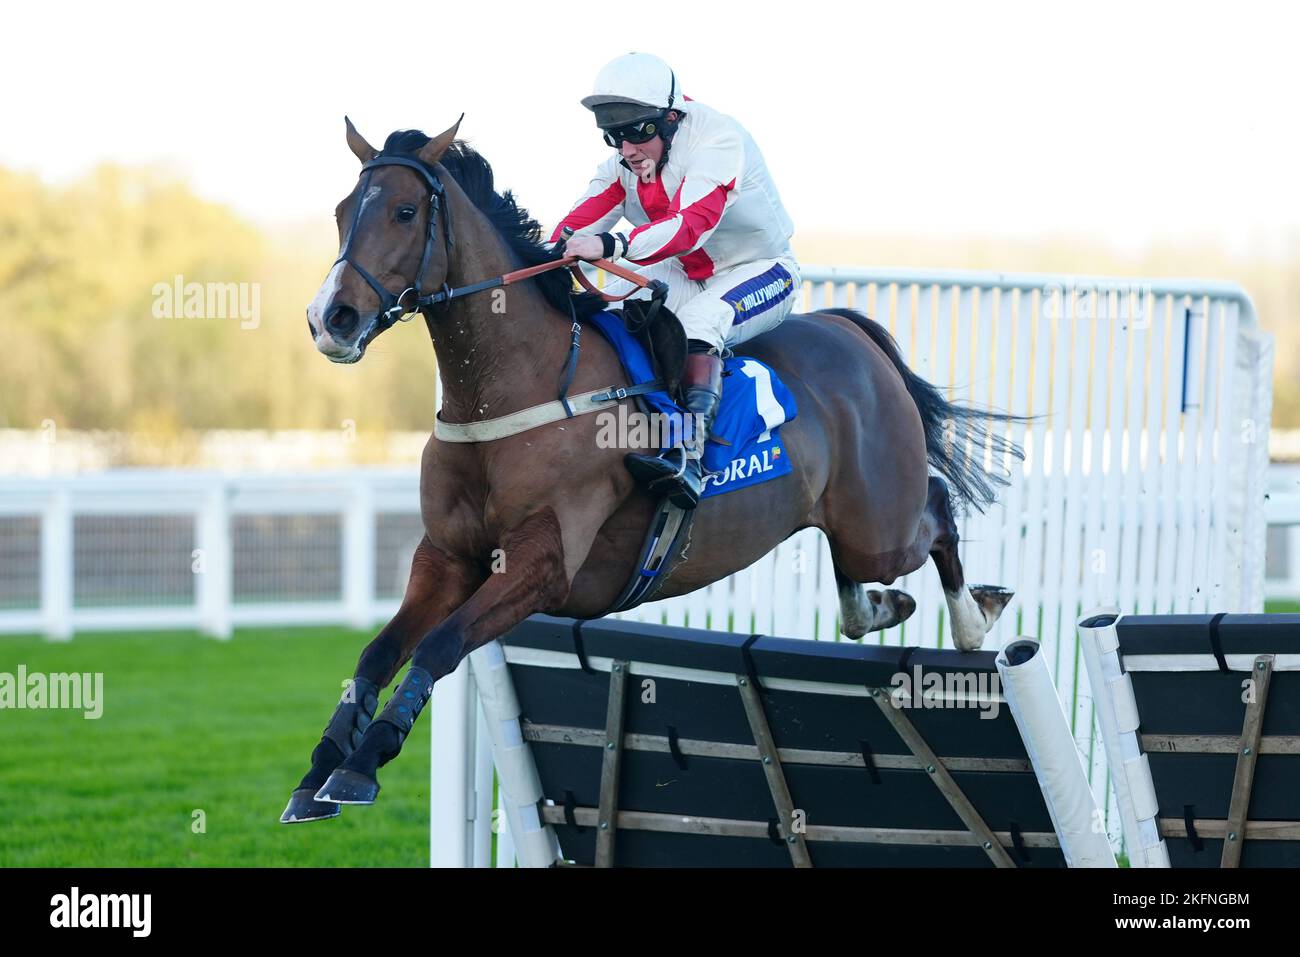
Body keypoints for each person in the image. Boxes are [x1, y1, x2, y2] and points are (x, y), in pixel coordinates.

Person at [552, 52, 800, 509]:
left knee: (699, 322)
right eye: (615, 135)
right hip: (688, 271)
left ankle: (691, 456)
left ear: (671, 118)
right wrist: (549, 255)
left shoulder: (719, 139)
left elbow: (691, 227)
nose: (627, 149)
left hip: (761, 269)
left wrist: (611, 247)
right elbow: (573, 227)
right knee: (613, 310)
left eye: (638, 132)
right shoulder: (624, 164)